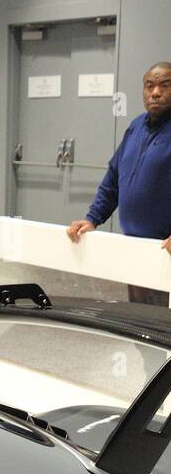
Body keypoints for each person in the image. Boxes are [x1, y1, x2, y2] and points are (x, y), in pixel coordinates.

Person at [66, 61, 171, 305]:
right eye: (149, 86)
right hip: (134, 245)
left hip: (166, 250)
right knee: (141, 320)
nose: (155, 92)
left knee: (165, 325)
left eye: (165, 85)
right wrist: (93, 218)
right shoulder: (135, 127)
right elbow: (113, 179)